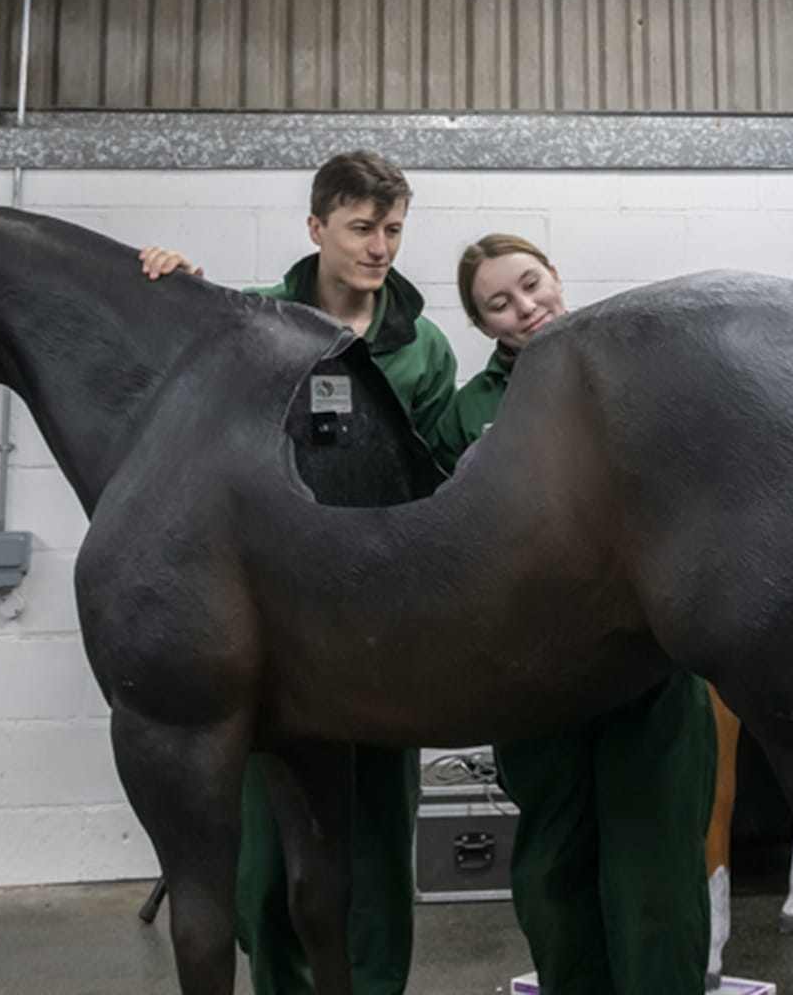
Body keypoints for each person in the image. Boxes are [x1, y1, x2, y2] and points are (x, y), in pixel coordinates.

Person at [141, 149, 457, 995]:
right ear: (316, 227)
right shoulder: (255, 319)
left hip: (381, 628)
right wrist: (172, 283)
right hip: (272, 626)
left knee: (377, 835)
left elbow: (434, 485)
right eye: (361, 228)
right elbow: (168, 376)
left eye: (393, 230)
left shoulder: (422, 347)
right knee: (269, 842)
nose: (380, 247)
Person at [432, 233, 717, 995]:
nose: (526, 308)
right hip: (534, 681)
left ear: (555, 276)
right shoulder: (468, 414)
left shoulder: (638, 371)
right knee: (553, 873)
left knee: (656, 874)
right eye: (499, 304)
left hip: (645, 668)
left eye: (531, 284)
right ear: (482, 325)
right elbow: (451, 543)